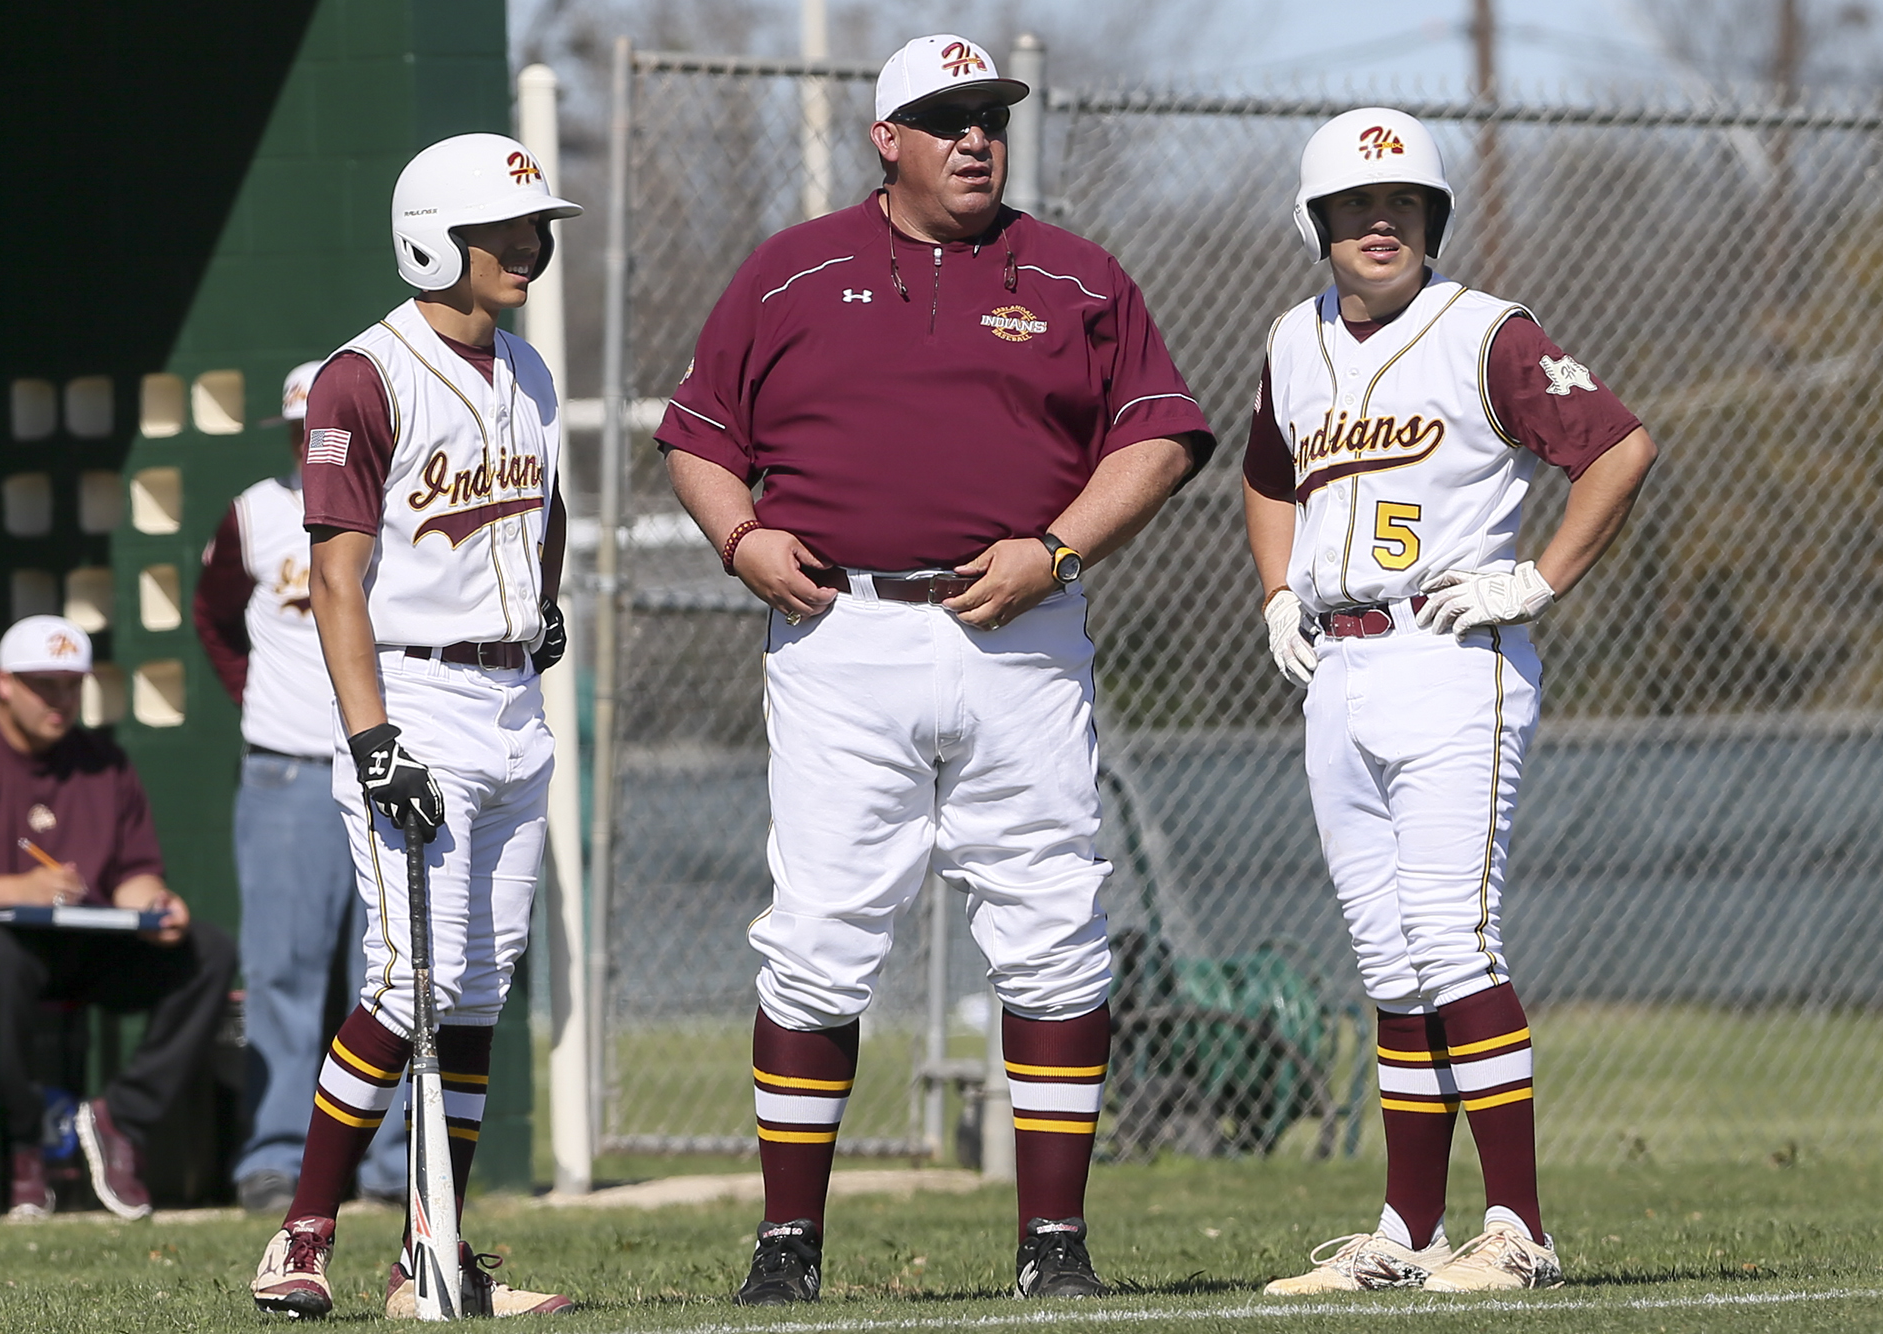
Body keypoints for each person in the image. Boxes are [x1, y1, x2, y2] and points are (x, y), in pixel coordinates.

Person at [655, 32, 1215, 1305]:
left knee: (1054, 927)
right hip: (840, 634)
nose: (974, 136)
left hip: (1017, 631)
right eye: (943, 115)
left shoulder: (1074, 275)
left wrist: (1059, 550)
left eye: (988, 115)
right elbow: (693, 435)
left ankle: (1054, 1248)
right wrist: (738, 536)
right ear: (884, 138)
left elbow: (1162, 439)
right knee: (816, 935)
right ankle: (787, 1247)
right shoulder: (790, 270)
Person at [1243, 108, 1657, 1294]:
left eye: (1404, 205)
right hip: (1335, 662)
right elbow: (1265, 472)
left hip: (1446, 648)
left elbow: (1615, 445)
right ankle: (1402, 1231)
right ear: (1315, 222)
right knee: (1386, 957)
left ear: (1432, 217)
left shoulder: (1485, 332)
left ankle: (1516, 1228)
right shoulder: (1290, 339)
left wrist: (1538, 575)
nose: (1383, 223)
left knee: (1449, 934)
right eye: (1357, 207)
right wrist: (1277, 592)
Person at [248, 132, 578, 1319]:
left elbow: (538, 524)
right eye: (510, 233)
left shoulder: (529, 372)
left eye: (539, 229)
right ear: (434, 237)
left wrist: (543, 609)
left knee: (479, 984)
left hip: (510, 700)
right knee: (403, 982)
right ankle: (302, 1234)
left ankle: (427, 1256)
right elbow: (337, 576)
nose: (532, 249)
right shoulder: (363, 373)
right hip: (413, 692)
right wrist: (373, 733)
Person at [194, 359, 407, 1216]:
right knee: (281, 970)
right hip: (287, 765)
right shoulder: (255, 513)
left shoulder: (391, 506)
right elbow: (213, 615)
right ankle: (275, 1157)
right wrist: (258, 701)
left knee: (388, 968)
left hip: (383, 759)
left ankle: (395, 1165)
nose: (312, 442)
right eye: (297, 428)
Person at [0, 615, 238, 1222]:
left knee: (208, 952)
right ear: (3, 683)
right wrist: (19, 887)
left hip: (87, 939)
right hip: (2, 943)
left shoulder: (103, 760)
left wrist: (156, 904)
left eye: (71, 685)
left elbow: (133, 871)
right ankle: (25, 1146)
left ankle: (118, 1120)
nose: (60, 701)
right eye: (43, 685)